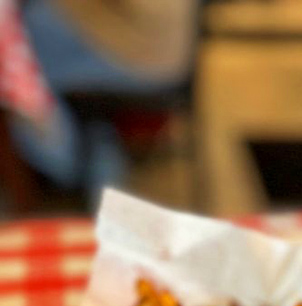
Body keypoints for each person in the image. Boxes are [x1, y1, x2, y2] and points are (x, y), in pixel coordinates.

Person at [10, 0, 200, 209]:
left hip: (146, 52)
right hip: (169, 48)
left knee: (26, 41)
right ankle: (79, 178)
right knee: (28, 37)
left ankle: (60, 178)